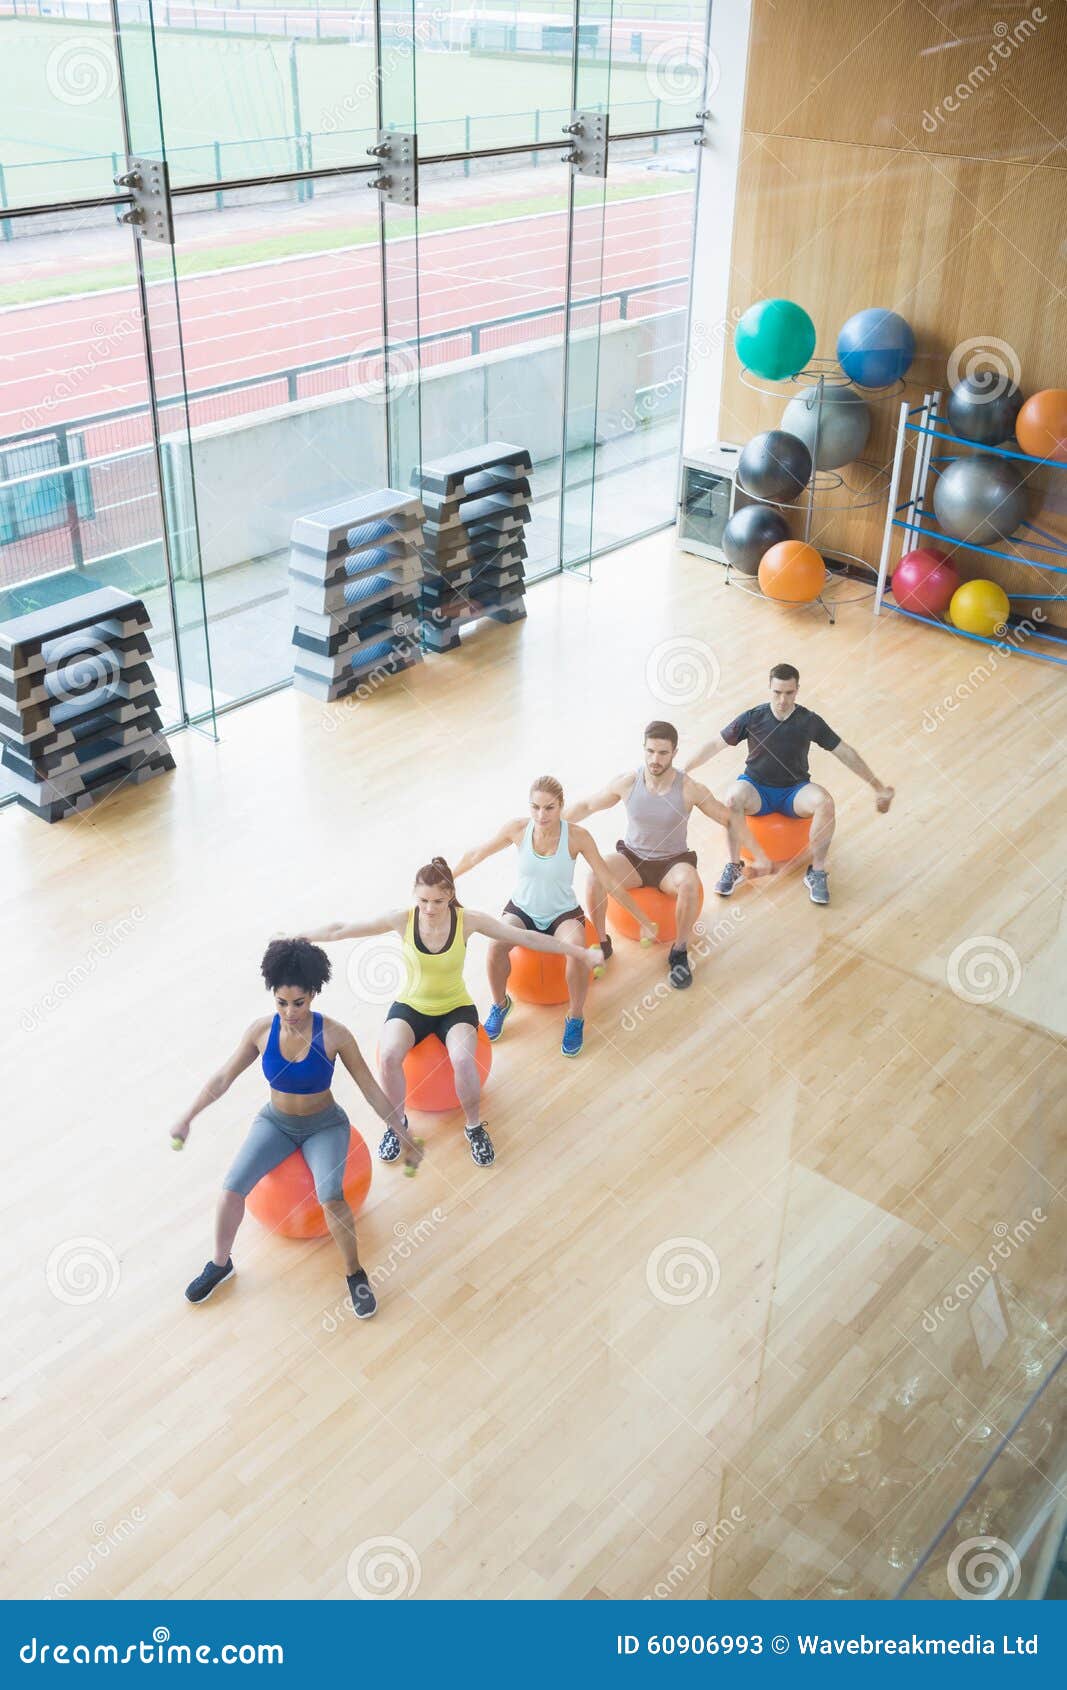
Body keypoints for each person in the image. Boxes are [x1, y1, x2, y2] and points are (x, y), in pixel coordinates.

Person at [299, 858, 602, 1167]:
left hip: (455, 1008)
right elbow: (342, 929)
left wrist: (579, 952)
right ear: (414, 896)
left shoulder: (467, 920)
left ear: (450, 896)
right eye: (423, 900)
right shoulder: (402, 919)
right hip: (412, 1005)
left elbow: (524, 938)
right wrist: (300, 936)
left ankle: (473, 1127)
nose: (430, 908)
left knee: (462, 1059)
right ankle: (396, 1124)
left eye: (438, 901)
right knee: (389, 1055)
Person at [172, 938, 415, 1319]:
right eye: (281, 1003)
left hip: (325, 1127)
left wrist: (403, 1134)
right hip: (276, 1123)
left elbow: (370, 1090)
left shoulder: (335, 1035)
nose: (290, 1012)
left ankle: (355, 1274)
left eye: (298, 1003)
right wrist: (188, 1117)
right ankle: (220, 1264)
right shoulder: (260, 1031)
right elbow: (222, 1078)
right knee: (231, 1189)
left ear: (314, 994)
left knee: (331, 1197)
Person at [452, 775, 658, 1057]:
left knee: (577, 951)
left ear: (561, 806)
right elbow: (477, 854)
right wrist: (446, 878)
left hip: (562, 914)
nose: (541, 814)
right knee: (495, 946)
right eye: (535, 807)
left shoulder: (577, 837)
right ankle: (500, 1005)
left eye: (549, 808)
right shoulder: (518, 829)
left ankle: (575, 1017)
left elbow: (609, 881)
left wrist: (644, 920)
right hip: (522, 910)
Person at [565, 721, 767, 990]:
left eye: (662, 753)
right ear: (644, 750)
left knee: (690, 882)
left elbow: (725, 817)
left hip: (671, 863)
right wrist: (552, 823)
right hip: (633, 858)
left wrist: (758, 853)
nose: (655, 759)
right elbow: (588, 805)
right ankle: (602, 942)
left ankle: (679, 951)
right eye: (650, 752)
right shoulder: (628, 782)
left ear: (674, 752)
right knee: (594, 876)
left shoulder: (688, 788)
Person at [686, 662, 895, 906]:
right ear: (769, 689)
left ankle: (816, 871)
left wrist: (877, 786)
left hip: (794, 791)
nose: (783, 700)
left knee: (825, 802)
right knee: (733, 798)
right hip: (756, 788)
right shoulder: (753, 717)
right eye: (777, 692)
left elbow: (844, 752)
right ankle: (734, 865)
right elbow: (714, 744)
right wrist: (683, 770)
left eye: (789, 693)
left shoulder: (809, 720)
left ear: (797, 690)